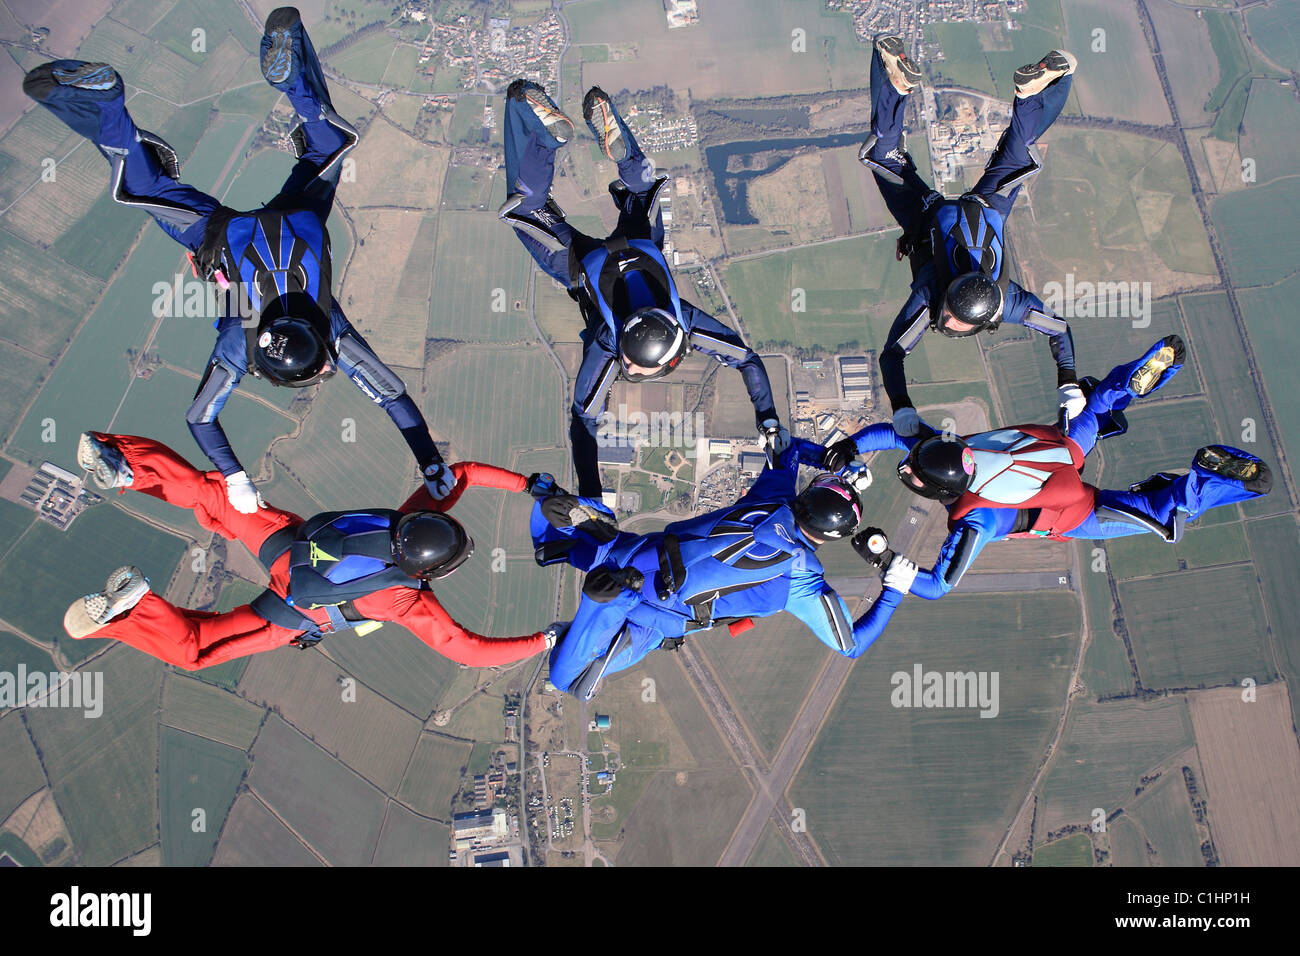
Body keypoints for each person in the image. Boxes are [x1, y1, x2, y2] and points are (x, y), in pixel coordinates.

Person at [22, 7, 455, 515]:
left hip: (297, 218)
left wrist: (430, 461)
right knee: (143, 187)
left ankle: (293, 78)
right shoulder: (239, 345)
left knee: (328, 146)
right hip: (223, 239)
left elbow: (393, 396)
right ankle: (107, 106)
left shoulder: (329, 329)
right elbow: (200, 418)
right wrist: (233, 476)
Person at [818, 335, 1272, 644]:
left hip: (1071, 510)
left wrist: (887, 563)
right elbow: (899, 434)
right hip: (1060, 446)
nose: (910, 467)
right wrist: (850, 447)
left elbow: (939, 586)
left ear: (940, 490)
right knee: (1099, 401)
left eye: (915, 474)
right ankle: (1133, 379)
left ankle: (1217, 479)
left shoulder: (972, 519)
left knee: (1164, 509)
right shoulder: (950, 452)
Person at [499, 80, 784, 497]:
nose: (630, 372)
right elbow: (583, 422)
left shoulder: (682, 320)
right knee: (526, 206)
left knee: (642, 189)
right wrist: (592, 495)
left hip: (641, 241)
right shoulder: (607, 344)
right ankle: (543, 139)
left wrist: (770, 421)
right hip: (580, 265)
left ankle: (628, 158)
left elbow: (747, 360)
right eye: (637, 369)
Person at [64, 431, 559, 670]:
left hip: (288, 543)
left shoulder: (406, 515)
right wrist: (544, 642)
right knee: (198, 648)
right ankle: (135, 606)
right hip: (298, 607)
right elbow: (469, 652)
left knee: (212, 494)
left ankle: (125, 464)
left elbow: (466, 472)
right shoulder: (408, 600)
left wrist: (530, 486)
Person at [526, 444, 889, 700]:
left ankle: (576, 537)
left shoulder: (775, 497)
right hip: (650, 616)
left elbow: (786, 448)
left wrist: (836, 460)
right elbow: (850, 644)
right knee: (566, 680)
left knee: (555, 528)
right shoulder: (803, 581)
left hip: (632, 549)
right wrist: (895, 586)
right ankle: (599, 598)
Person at [860, 35, 1082, 437]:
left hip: (986, 208)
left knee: (1021, 149)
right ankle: (896, 87)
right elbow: (892, 355)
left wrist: (1068, 379)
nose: (943, 318)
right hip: (928, 218)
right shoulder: (931, 291)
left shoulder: (1008, 301)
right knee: (884, 155)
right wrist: (902, 409)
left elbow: (1059, 329)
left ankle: (1031, 95)